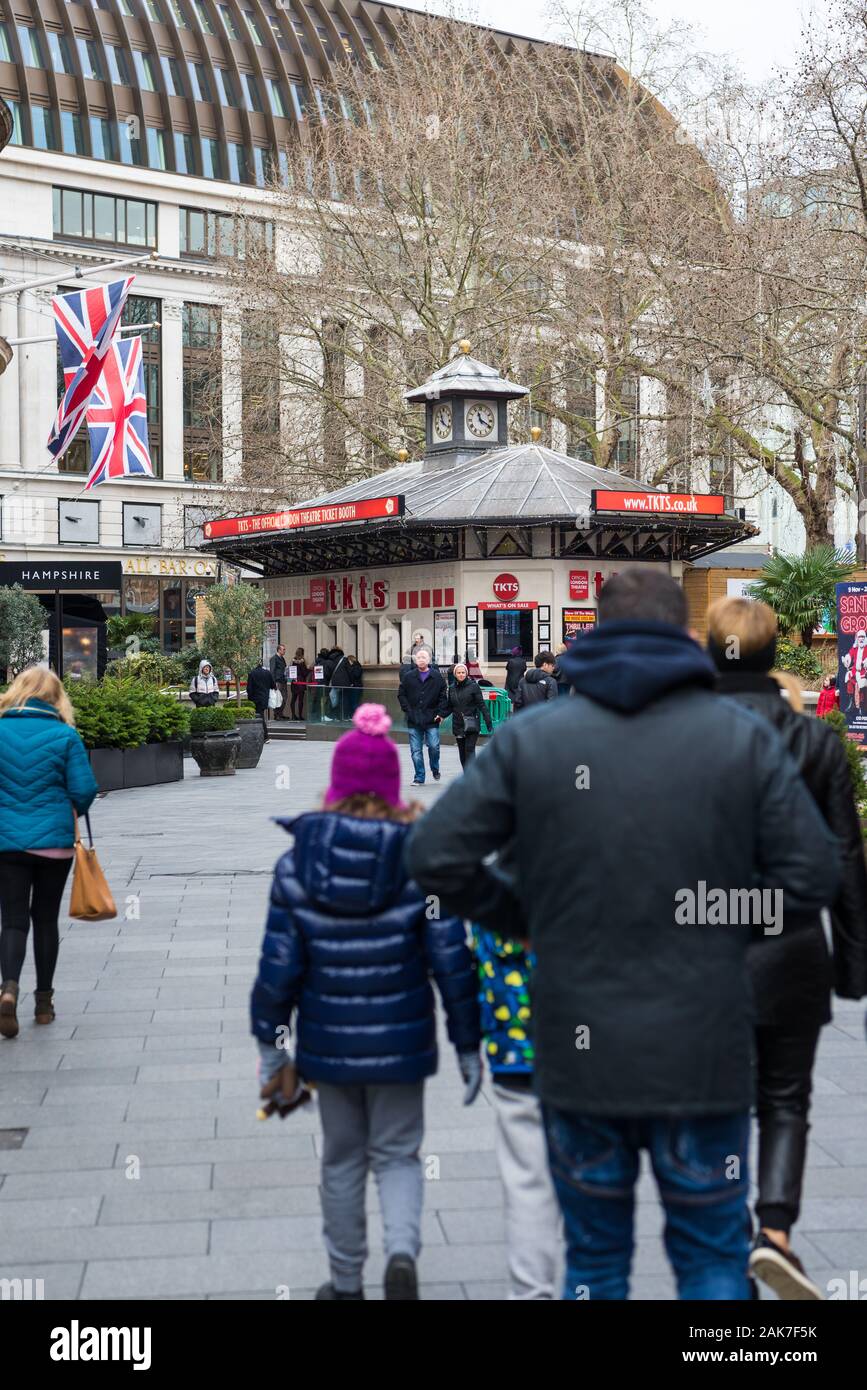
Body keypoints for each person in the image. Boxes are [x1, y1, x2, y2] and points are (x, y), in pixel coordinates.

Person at [405, 567, 841, 1301]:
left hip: (580, 1050)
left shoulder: (533, 737)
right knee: (709, 1258)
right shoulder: (740, 738)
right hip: (702, 1048)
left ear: (595, 633)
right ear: (683, 636)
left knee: (596, 1261)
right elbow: (812, 875)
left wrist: (528, 915)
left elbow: (432, 854)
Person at [250, 704, 481, 1301]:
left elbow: (278, 971)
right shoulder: (420, 859)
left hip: (328, 1044)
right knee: (401, 1155)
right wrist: (468, 1043)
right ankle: (402, 1252)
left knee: (342, 1161)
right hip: (403, 1041)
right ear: (392, 786)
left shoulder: (297, 860)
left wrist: (272, 1049)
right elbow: (451, 957)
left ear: (335, 784)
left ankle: (346, 1284)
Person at [708, 596, 867, 1300]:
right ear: (775, 653)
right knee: (784, 1099)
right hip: (790, 948)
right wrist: (853, 965)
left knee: (712, 1103)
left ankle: (720, 1234)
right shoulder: (817, 743)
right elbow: (842, 862)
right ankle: (772, 1232)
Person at [0, 668, 98, 1039]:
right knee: (44, 920)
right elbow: (85, 790)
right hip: (54, 844)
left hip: (6, 843)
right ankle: (43, 1003)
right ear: (57, 698)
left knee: (11, 920)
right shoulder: (65, 735)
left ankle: (8, 987)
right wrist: (66, 806)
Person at [472, 917, 561, 1299]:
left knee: (527, 1181)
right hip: (589, 1046)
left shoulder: (492, 882)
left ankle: (531, 1291)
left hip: (516, 1051)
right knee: (595, 1184)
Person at [397, 648, 448, 786]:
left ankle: (435, 768)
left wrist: (441, 713)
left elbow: (443, 696)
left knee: (434, 746)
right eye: (418, 657)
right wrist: (408, 710)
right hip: (414, 719)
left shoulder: (437, 677)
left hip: (432, 718)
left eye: (424, 657)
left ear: (429, 659)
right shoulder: (408, 677)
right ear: (415, 660)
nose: (421, 660)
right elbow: (401, 695)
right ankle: (419, 777)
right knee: (415, 750)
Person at [447, 661, 491, 768]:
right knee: (462, 753)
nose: (461, 674)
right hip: (458, 724)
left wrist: (487, 720)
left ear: (466, 673)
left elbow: (481, 705)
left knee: (469, 750)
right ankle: (467, 775)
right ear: (455, 674)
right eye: (458, 673)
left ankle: (473, 777)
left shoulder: (473, 686)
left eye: (463, 672)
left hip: (471, 723)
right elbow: (449, 706)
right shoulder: (452, 688)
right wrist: (440, 715)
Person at [246, 660, 275, 740]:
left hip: (255, 699)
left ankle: (265, 736)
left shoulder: (252, 673)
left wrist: (250, 699)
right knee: (260, 716)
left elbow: (249, 688)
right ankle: (262, 736)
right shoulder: (267, 673)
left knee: (260, 718)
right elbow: (273, 685)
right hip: (265, 698)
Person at [326, 647, 352, 721]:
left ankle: (334, 716)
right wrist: (351, 682)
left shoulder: (330, 660)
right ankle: (345, 716)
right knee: (345, 699)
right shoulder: (344, 659)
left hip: (334, 683)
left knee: (334, 700)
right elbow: (349, 671)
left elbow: (328, 672)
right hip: (344, 684)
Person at [290, 648, 309, 721]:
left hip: (294, 682)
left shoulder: (293, 661)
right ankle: (300, 715)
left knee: (293, 699)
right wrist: (309, 670)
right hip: (301, 682)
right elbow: (304, 672)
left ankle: (293, 715)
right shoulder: (302, 662)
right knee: (300, 700)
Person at [269, 644, 288, 720]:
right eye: (283, 649)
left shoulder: (282, 658)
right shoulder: (274, 658)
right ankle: (276, 715)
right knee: (277, 699)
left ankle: (280, 713)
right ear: (279, 650)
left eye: (284, 649)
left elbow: (285, 668)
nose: (284, 651)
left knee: (284, 698)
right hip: (277, 681)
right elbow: (272, 671)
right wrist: (273, 683)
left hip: (283, 681)